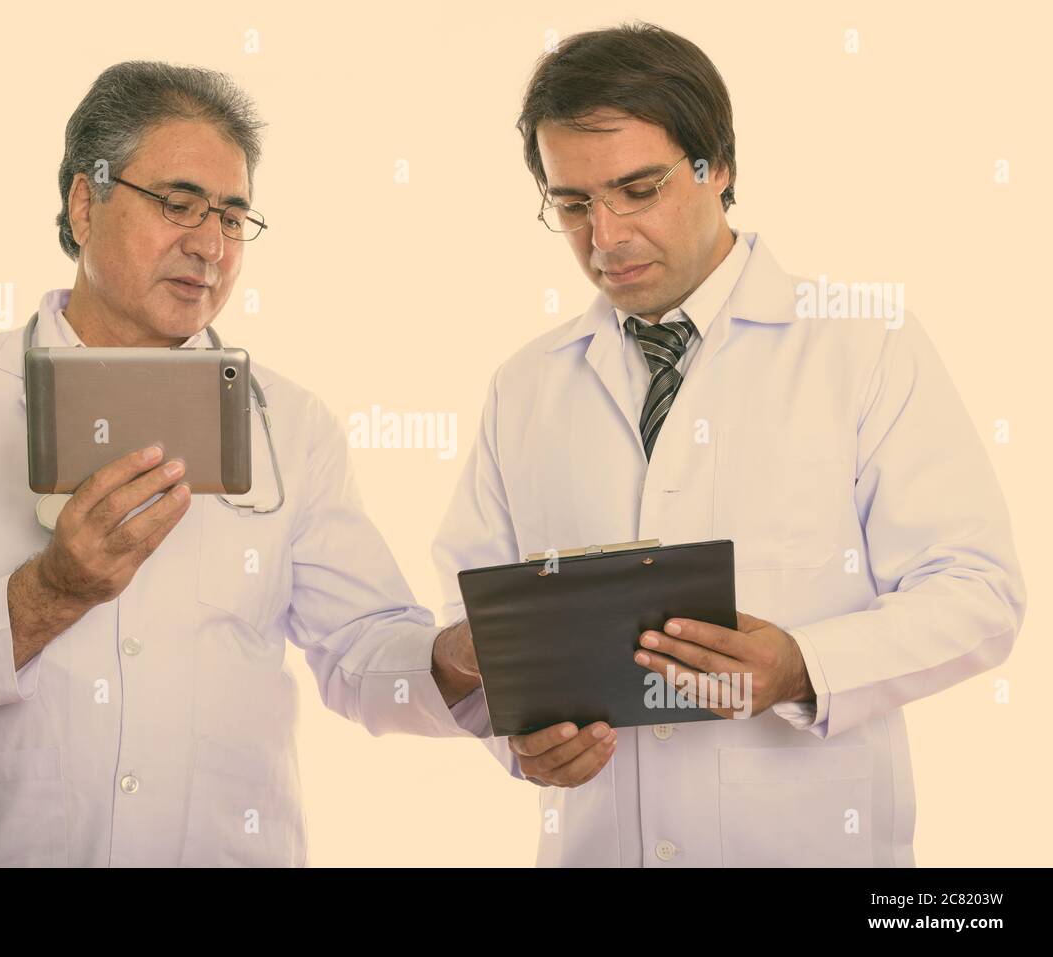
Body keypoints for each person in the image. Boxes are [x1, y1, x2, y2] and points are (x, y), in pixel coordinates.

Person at [0, 60, 486, 867]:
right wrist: (48, 594)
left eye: (232, 216)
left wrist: (449, 658)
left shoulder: (292, 425)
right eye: (179, 205)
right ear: (85, 203)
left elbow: (360, 651)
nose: (210, 245)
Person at [427, 23, 1026, 867]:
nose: (606, 236)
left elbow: (978, 590)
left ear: (718, 167)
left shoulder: (863, 343)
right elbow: (474, 616)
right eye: (572, 204)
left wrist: (804, 665)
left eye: (639, 189)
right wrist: (519, 734)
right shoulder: (525, 385)